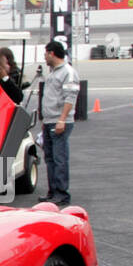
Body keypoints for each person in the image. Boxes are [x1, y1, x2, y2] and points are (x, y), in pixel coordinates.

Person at [38, 40, 79, 207]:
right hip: (50, 120)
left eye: (45, 54)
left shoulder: (67, 72)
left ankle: (61, 193)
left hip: (59, 120)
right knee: (50, 157)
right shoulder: (53, 72)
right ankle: (53, 191)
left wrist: (62, 118)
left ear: (51, 53)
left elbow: (70, 97)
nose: (44, 57)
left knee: (59, 157)